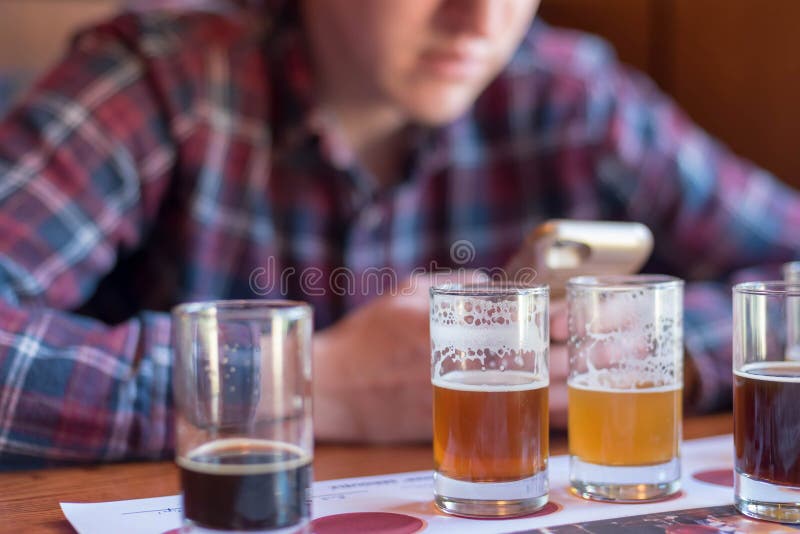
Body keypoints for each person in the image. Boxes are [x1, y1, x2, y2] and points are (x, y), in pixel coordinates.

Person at [0, 0, 797, 468]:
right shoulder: (161, 78)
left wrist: (645, 349)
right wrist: (309, 384)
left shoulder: (574, 97)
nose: (480, 20)